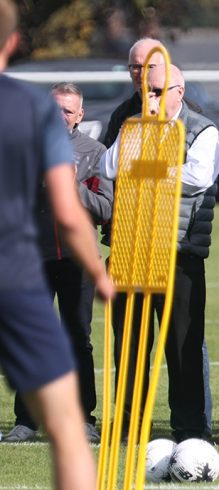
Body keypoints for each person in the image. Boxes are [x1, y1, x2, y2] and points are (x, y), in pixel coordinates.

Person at [0, 2, 116, 490]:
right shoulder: (26, 107)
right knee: (64, 424)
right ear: (16, 40)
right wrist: (101, 273)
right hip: (18, 270)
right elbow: (71, 213)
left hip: (39, 266)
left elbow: (88, 203)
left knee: (78, 341)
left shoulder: (88, 148)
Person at [100, 63, 219, 443]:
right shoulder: (132, 124)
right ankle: (131, 425)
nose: (150, 97)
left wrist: (142, 166)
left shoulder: (203, 129)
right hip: (132, 250)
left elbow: (197, 178)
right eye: (147, 91)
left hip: (178, 252)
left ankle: (189, 428)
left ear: (179, 92)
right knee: (130, 344)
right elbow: (108, 166)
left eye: (158, 90)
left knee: (182, 344)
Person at [4, 82, 113, 444]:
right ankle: (26, 420)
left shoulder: (95, 153)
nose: (58, 116)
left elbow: (106, 207)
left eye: (67, 110)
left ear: (80, 115)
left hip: (76, 260)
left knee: (77, 338)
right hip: (30, 258)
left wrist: (71, 187)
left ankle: (84, 417)